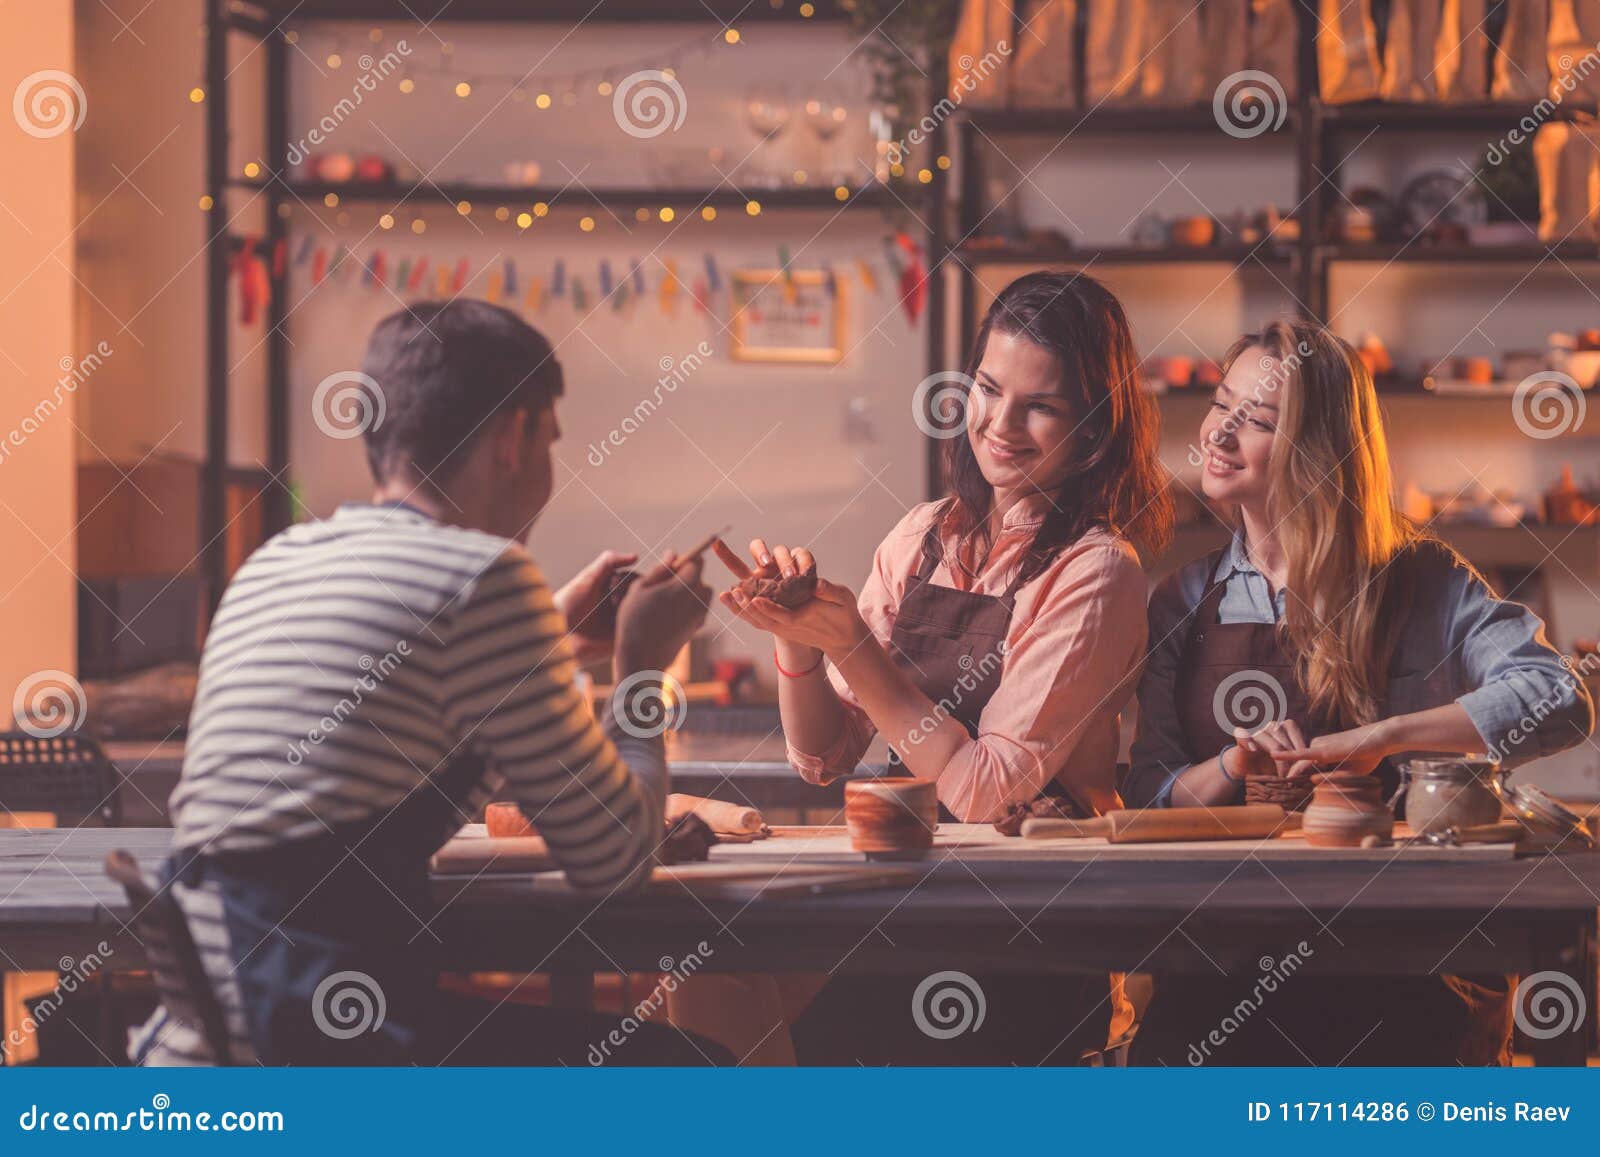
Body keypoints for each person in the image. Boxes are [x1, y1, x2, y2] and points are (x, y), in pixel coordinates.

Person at [130, 300, 728, 1066]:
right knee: (693, 1070)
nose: (549, 464)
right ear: (511, 438)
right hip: (314, 1055)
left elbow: (396, 706)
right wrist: (641, 662)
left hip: (211, 1038)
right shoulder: (485, 578)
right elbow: (614, 857)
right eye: (549, 439)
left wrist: (549, 634)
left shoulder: (275, 562)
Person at [717, 271, 1173, 1064]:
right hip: (900, 915)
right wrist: (797, 636)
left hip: (1029, 933)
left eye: (1042, 405)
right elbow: (823, 757)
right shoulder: (926, 534)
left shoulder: (1097, 571)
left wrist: (855, 645)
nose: (1000, 424)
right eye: (988, 389)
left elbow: (980, 787)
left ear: (1094, 429)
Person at [1124, 318, 1593, 1065]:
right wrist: (1232, 768)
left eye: (1258, 421)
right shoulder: (1184, 597)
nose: (1218, 432)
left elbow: (1558, 697)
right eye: (1222, 405)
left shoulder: (1423, 580)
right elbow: (1147, 789)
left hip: (1411, 964)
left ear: (1316, 453)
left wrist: (1383, 735)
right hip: (1228, 963)